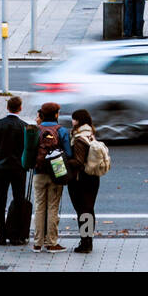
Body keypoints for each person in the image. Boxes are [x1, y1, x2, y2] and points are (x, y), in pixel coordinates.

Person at [0, 94, 32, 244]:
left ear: (7, 107)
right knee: (19, 201)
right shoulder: (24, 126)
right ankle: (16, 235)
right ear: (20, 108)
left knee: (0, 201)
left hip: (1, 168)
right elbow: (27, 149)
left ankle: (2, 235)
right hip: (18, 168)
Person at [30, 102, 72, 252]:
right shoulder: (62, 131)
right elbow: (68, 153)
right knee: (53, 207)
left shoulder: (36, 130)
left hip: (38, 172)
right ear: (56, 115)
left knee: (39, 207)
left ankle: (37, 242)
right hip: (57, 170)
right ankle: (51, 242)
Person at [67, 108, 101, 253]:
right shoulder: (91, 134)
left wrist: (65, 160)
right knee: (88, 209)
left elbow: (79, 162)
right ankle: (88, 240)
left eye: (73, 119)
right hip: (93, 177)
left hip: (81, 179)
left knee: (82, 210)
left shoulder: (79, 139)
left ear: (78, 121)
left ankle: (85, 243)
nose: (72, 121)